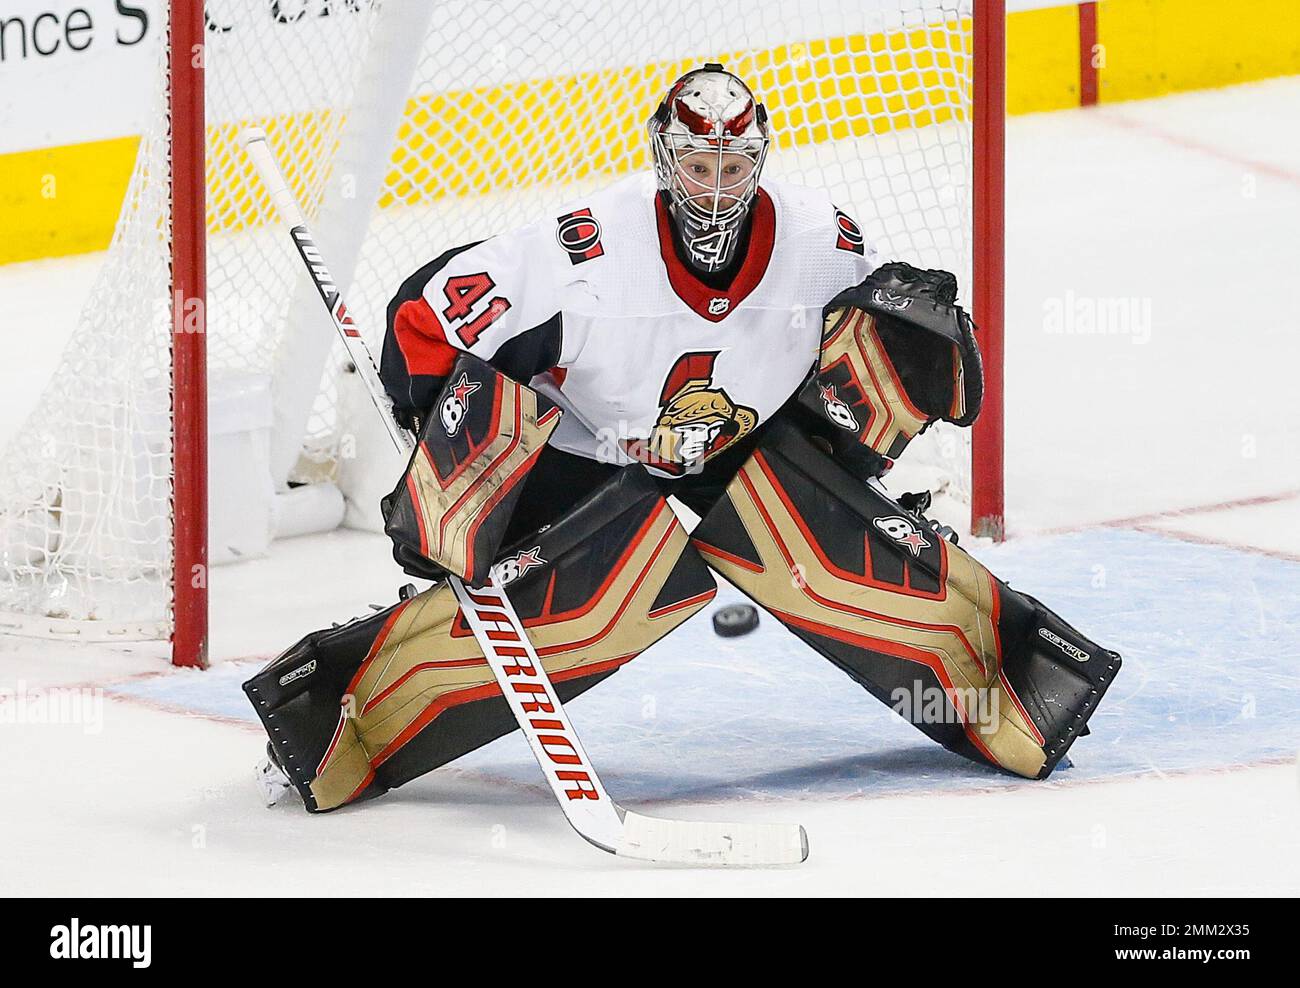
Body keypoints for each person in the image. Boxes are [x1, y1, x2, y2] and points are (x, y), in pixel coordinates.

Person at [244, 66, 1120, 814]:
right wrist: (454, 464)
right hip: (579, 468)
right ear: (664, 161)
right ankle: (338, 710)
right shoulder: (580, 256)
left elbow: (872, 357)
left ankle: (1013, 688)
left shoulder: (822, 243)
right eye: (698, 165)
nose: (715, 186)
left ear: (761, 159)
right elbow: (420, 321)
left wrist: (883, 409)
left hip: (738, 450)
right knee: (610, 595)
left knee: (818, 505)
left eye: (735, 165)